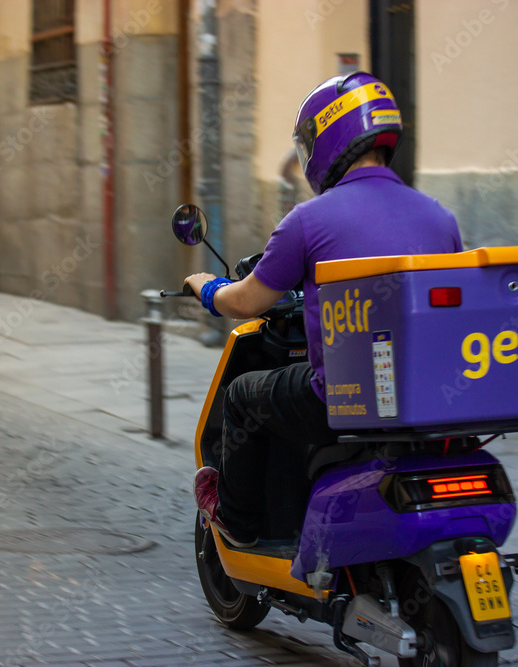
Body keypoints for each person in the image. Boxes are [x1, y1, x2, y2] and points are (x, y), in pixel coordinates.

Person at [184, 72, 463, 548]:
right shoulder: (439, 216)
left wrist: (206, 287)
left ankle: (240, 523)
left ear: (328, 138)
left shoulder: (308, 221)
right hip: (432, 395)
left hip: (346, 397)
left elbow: (246, 301)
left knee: (243, 393)